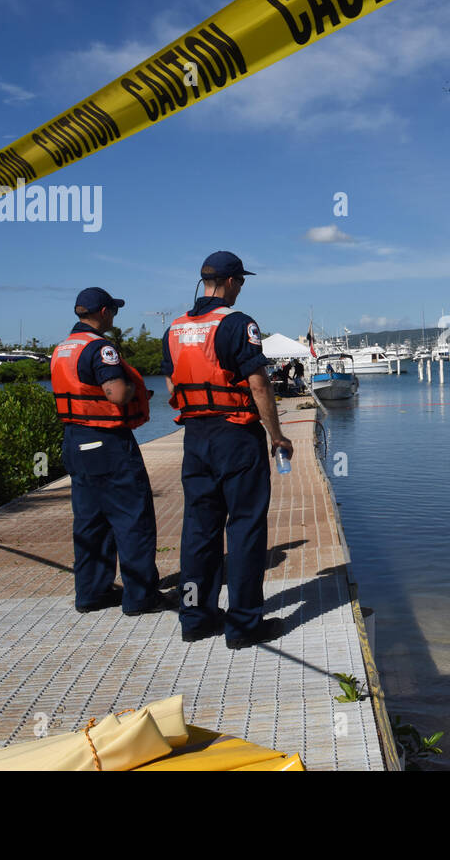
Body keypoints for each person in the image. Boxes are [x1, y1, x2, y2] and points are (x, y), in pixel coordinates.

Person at [163, 252, 294, 650]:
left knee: (198, 530)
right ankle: (242, 626)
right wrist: (277, 435)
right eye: (241, 281)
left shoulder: (175, 328)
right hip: (236, 435)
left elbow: (172, 389)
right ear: (233, 281)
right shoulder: (238, 324)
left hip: (196, 437)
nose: (241, 288)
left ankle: (195, 619)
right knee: (245, 528)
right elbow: (258, 385)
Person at [51, 288, 170, 615]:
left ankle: (91, 593)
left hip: (75, 440)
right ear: (103, 312)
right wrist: (135, 390)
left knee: (90, 522)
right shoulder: (100, 348)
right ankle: (141, 597)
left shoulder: (63, 348)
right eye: (113, 311)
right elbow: (115, 393)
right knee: (132, 519)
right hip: (107, 442)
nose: (114, 317)